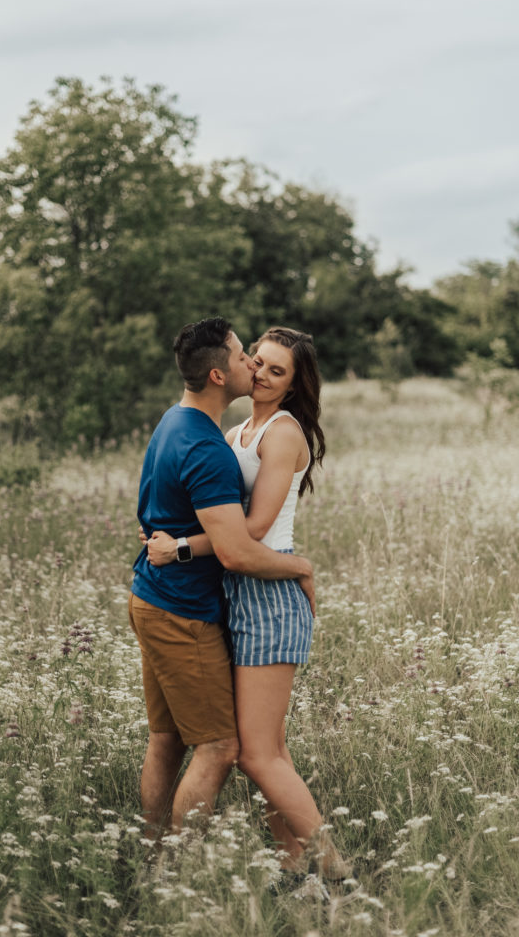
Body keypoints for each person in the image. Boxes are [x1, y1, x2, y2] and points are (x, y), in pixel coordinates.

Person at [145, 326, 353, 885]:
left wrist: (182, 546)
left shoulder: (283, 434)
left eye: (275, 370)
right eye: (256, 361)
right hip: (242, 592)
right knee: (271, 750)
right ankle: (292, 870)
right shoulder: (238, 430)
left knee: (256, 754)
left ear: (292, 386)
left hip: (269, 591)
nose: (260, 372)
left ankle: (336, 870)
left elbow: (253, 530)